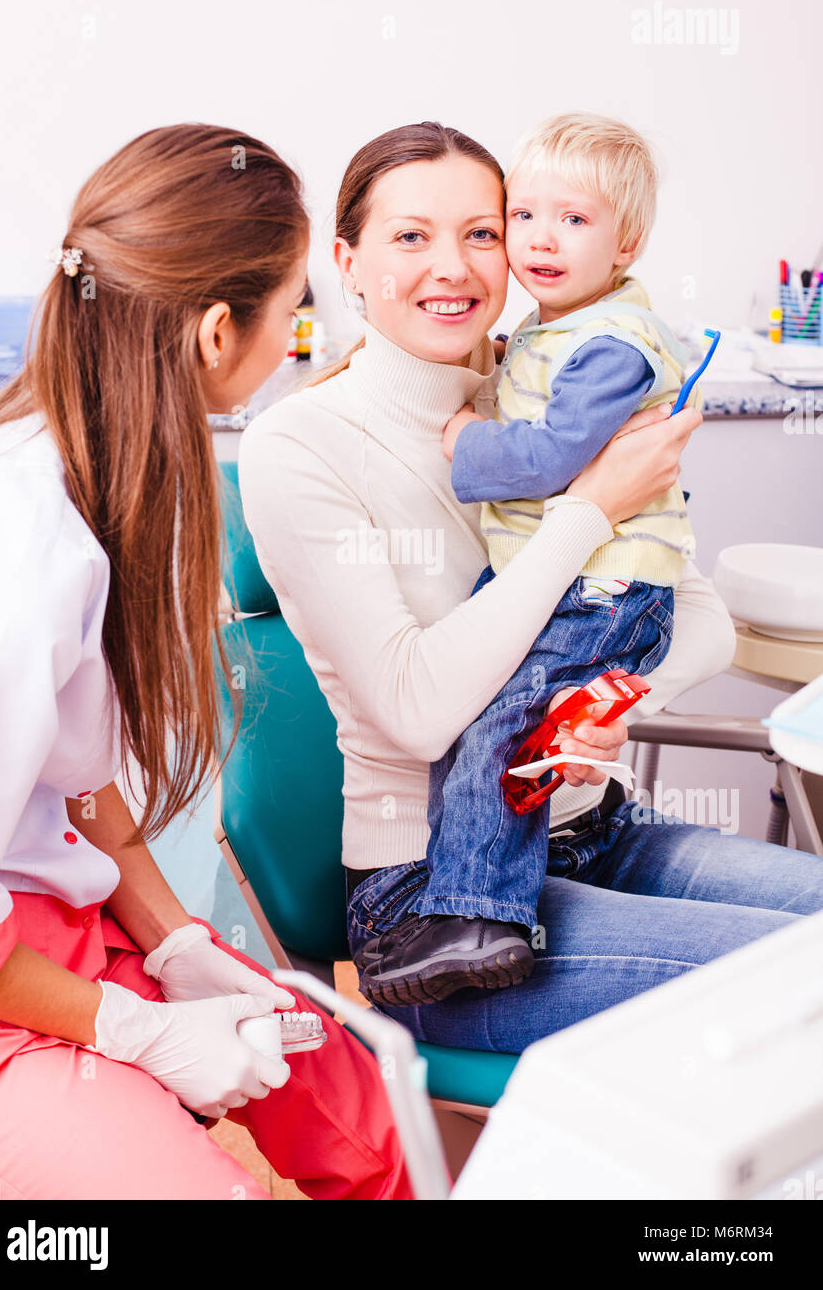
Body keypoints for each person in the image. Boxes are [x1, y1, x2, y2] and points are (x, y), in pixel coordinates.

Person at [238, 120, 823, 1055]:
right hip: (433, 903)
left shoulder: (550, 392)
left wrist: (602, 704)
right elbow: (420, 712)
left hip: (598, 832)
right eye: (410, 237)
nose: (455, 267)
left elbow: (700, 621)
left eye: (481, 232)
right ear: (346, 262)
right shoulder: (300, 445)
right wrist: (587, 509)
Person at [0, 124, 412, 1201]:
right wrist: (138, 1031)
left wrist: (173, 940)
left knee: (363, 1116)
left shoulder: (117, 487)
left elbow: (81, 778)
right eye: (298, 306)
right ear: (217, 333)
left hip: (53, 927)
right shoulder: (17, 551)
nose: (308, 332)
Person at [360, 112, 704, 1007]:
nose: (537, 240)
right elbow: (420, 707)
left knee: (507, 719)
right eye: (523, 217)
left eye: (574, 220)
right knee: (498, 720)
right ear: (347, 261)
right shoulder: (548, 341)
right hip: (586, 588)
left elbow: (550, 457)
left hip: (609, 589)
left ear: (626, 243)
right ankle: (472, 906)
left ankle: (480, 913)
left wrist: (471, 441)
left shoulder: (608, 346)